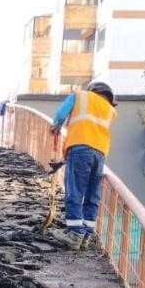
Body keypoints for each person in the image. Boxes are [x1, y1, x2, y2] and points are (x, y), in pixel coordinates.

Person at [48, 81, 118, 250]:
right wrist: (64, 161)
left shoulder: (80, 96)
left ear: (92, 90)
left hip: (79, 148)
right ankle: (86, 235)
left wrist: (55, 126)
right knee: (92, 195)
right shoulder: (111, 110)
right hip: (100, 154)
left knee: (74, 191)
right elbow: (92, 137)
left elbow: (61, 114)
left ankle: (75, 234)